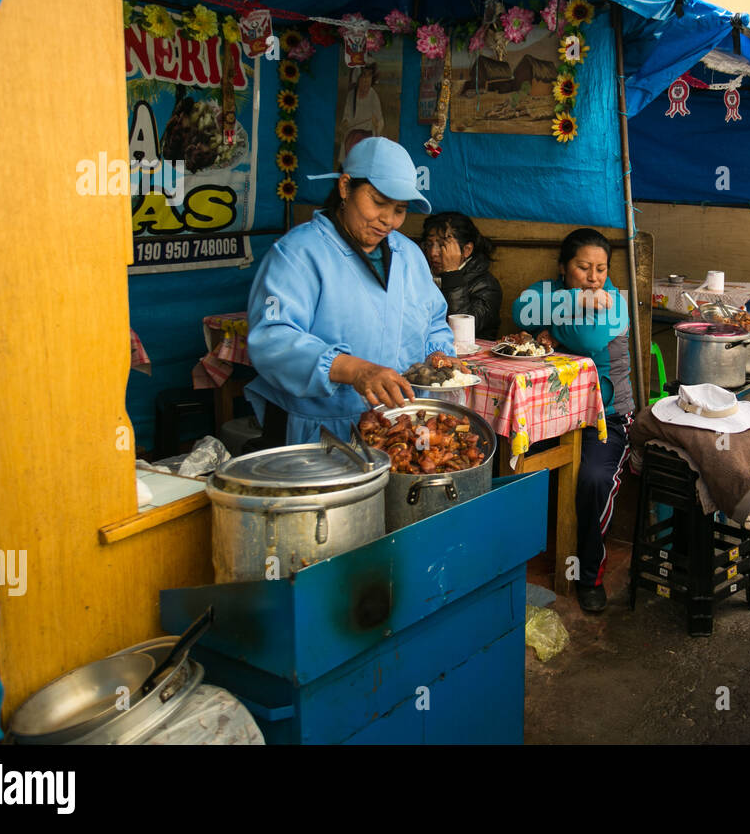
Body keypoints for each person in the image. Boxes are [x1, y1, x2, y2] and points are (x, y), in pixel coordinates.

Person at [244, 137, 457, 446]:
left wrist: (437, 353)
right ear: (345, 187)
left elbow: (434, 321)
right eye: (378, 202)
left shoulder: (408, 255)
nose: (388, 220)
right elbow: (272, 338)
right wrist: (354, 370)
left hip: (397, 425)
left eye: (400, 209)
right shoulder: (297, 254)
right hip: (315, 430)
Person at [513, 228, 632, 613]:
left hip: (607, 417)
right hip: (555, 414)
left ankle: (589, 574)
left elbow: (591, 340)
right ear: (563, 268)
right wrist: (575, 302)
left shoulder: (614, 300)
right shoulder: (551, 290)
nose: (594, 277)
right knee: (510, 452)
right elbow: (521, 310)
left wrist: (552, 327)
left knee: (593, 478)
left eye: (601, 269)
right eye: (584, 268)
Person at [421, 212, 503, 340]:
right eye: (430, 244)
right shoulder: (422, 274)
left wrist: (452, 274)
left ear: (466, 250)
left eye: (442, 245)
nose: (433, 253)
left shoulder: (486, 285)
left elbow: (461, 332)